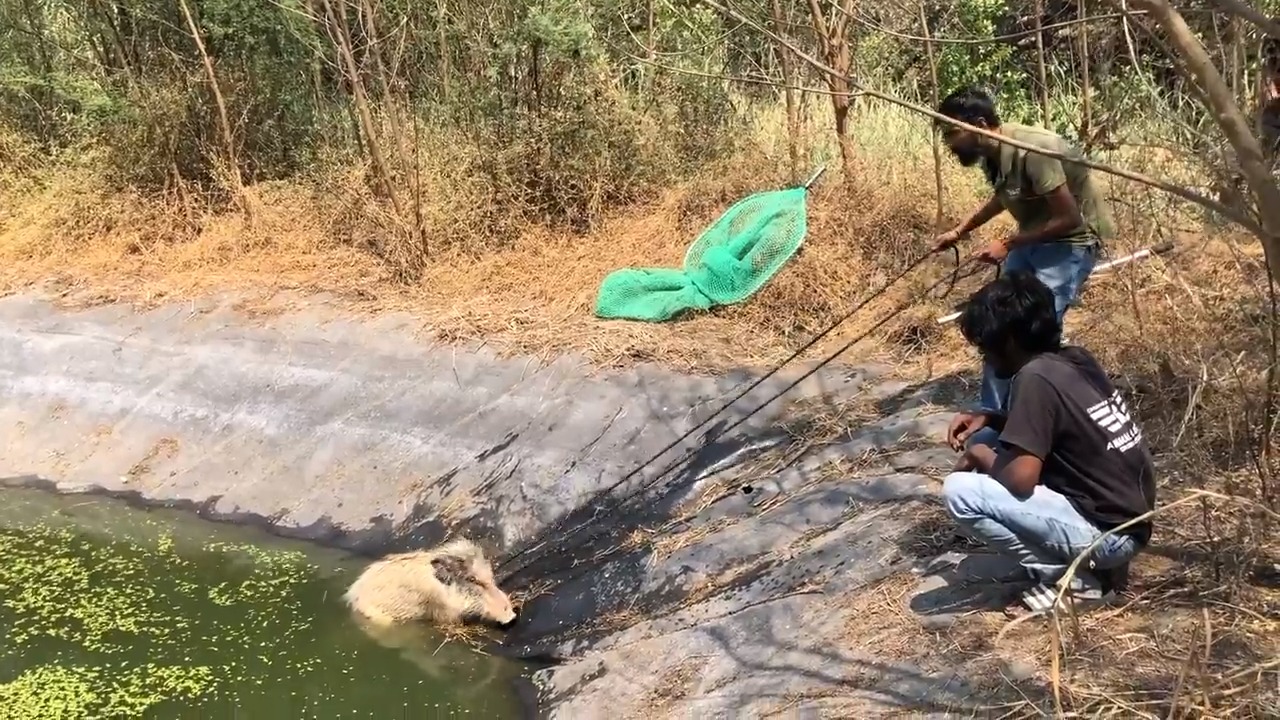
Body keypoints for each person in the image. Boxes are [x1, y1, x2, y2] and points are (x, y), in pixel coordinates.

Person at [941, 271, 1156, 613]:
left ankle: (1076, 582)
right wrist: (991, 418)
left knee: (960, 492)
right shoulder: (1074, 359)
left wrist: (978, 455)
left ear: (1009, 340)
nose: (984, 357)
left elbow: (1021, 479)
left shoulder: (1034, 378)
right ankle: (1092, 565)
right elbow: (1055, 429)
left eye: (985, 347)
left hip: (1111, 536)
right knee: (990, 435)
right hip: (1131, 522)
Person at [931, 85, 1116, 417]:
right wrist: (959, 231)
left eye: (952, 133)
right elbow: (1004, 196)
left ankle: (1042, 412)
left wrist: (1007, 244)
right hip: (1034, 239)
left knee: (1033, 332)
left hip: (1071, 241)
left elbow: (1069, 218)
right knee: (998, 322)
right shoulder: (992, 154)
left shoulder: (1033, 150)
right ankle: (993, 413)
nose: (949, 144)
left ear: (980, 125)